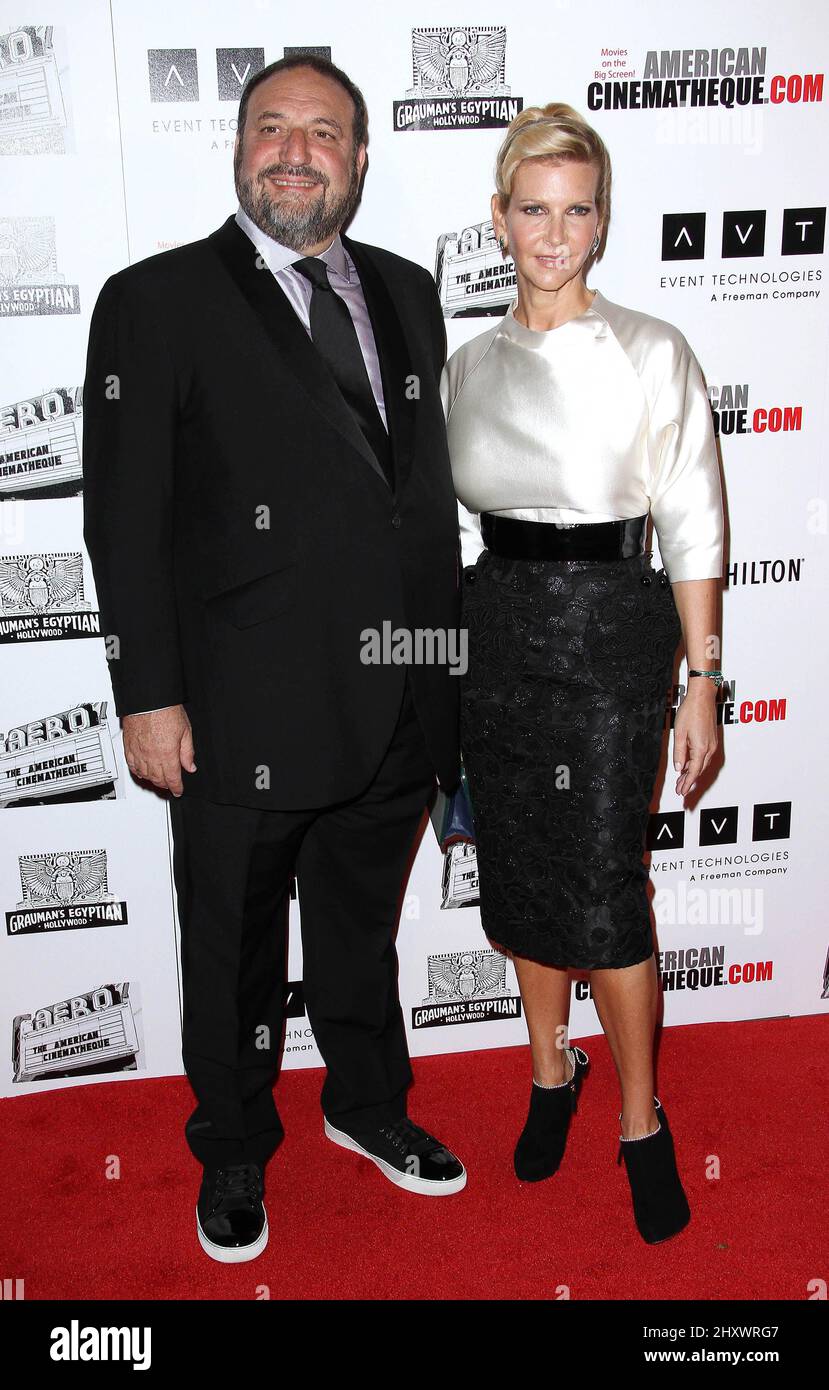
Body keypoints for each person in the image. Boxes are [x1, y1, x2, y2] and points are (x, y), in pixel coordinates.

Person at [83, 55, 467, 1265]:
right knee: (235, 949)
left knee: (360, 928)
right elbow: (123, 512)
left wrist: (442, 675)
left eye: (324, 133)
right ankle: (235, 1146)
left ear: (359, 159)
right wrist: (148, 692)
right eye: (272, 128)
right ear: (237, 147)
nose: (295, 151)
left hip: (396, 689)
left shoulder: (407, 291)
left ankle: (366, 1105)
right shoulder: (155, 299)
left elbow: (417, 502)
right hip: (240, 704)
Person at [440, 103, 724, 1244]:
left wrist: (702, 679)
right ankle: (549, 1073)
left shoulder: (652, 349)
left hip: (612, 630)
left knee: (604, 890)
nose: (553, 234)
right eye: (532, 210)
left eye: (577, 210)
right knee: (520, 876)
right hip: (495, 629)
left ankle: (641, 1120)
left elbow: (694, 523)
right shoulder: (465, 364)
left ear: (601, 222)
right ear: (499, 219)